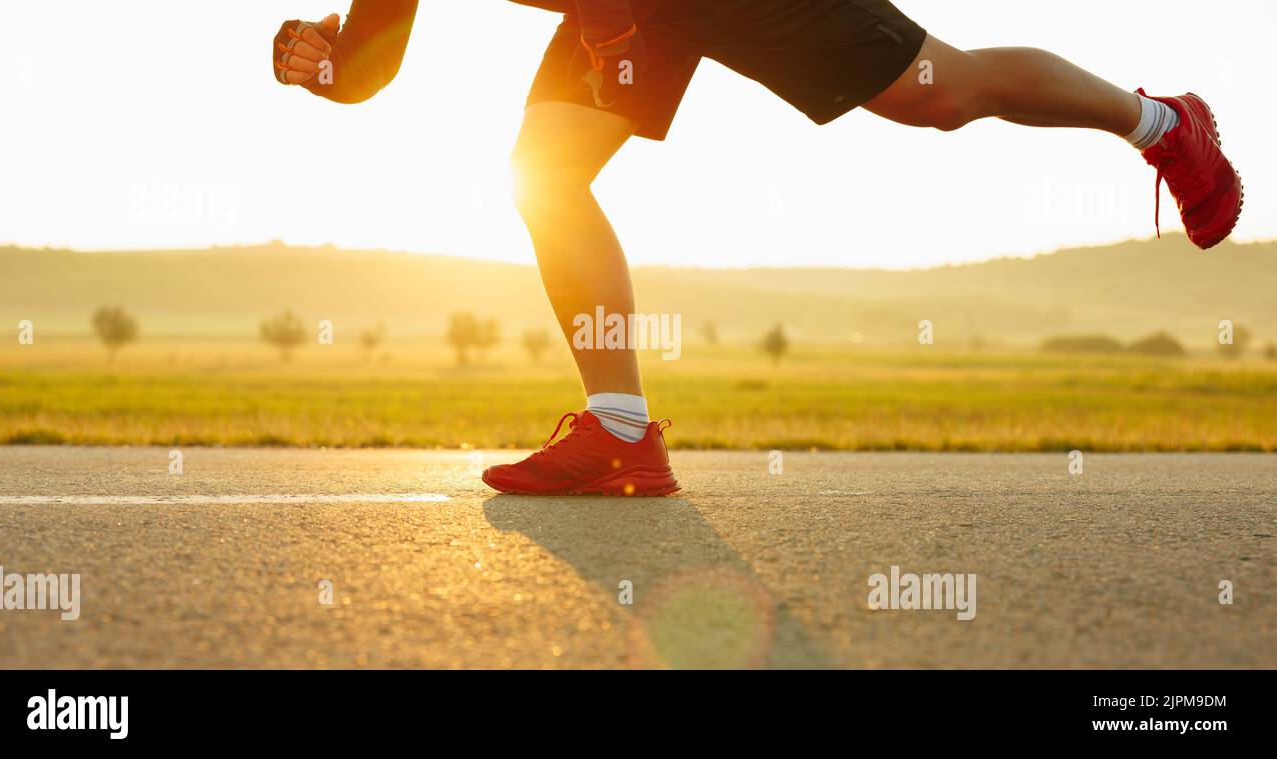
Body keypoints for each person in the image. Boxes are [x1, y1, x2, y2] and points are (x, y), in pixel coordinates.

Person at [273, 0, 1244, 496]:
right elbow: (371, 59)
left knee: (931, 94)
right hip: (627, 14)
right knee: (545, 172)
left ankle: (1162, 124)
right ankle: (619, 431)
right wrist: (319, 54)